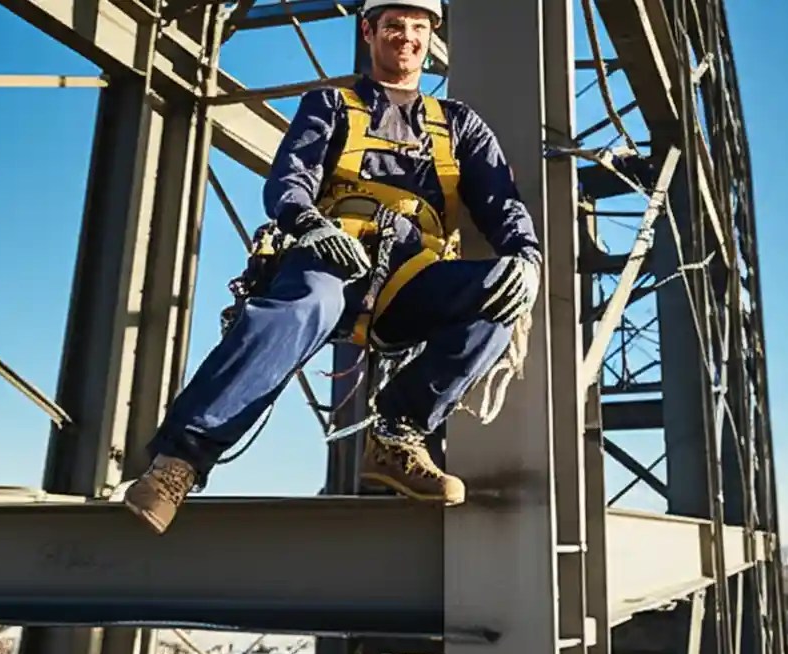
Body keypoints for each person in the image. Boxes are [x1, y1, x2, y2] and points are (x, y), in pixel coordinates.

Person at [120, 0, 542, 535]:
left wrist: (525, 258)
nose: (406, 38)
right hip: (332, 255)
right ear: (369, 31)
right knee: (300, 308)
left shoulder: (459, 126)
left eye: (418, 28)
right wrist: (308, 224)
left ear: (430, 38)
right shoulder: (331, 105)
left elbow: (501, 202)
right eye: (393, 26)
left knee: (501, 297)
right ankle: (178, 461)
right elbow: (290, 177)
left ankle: (398, 434)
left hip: (411, 275)